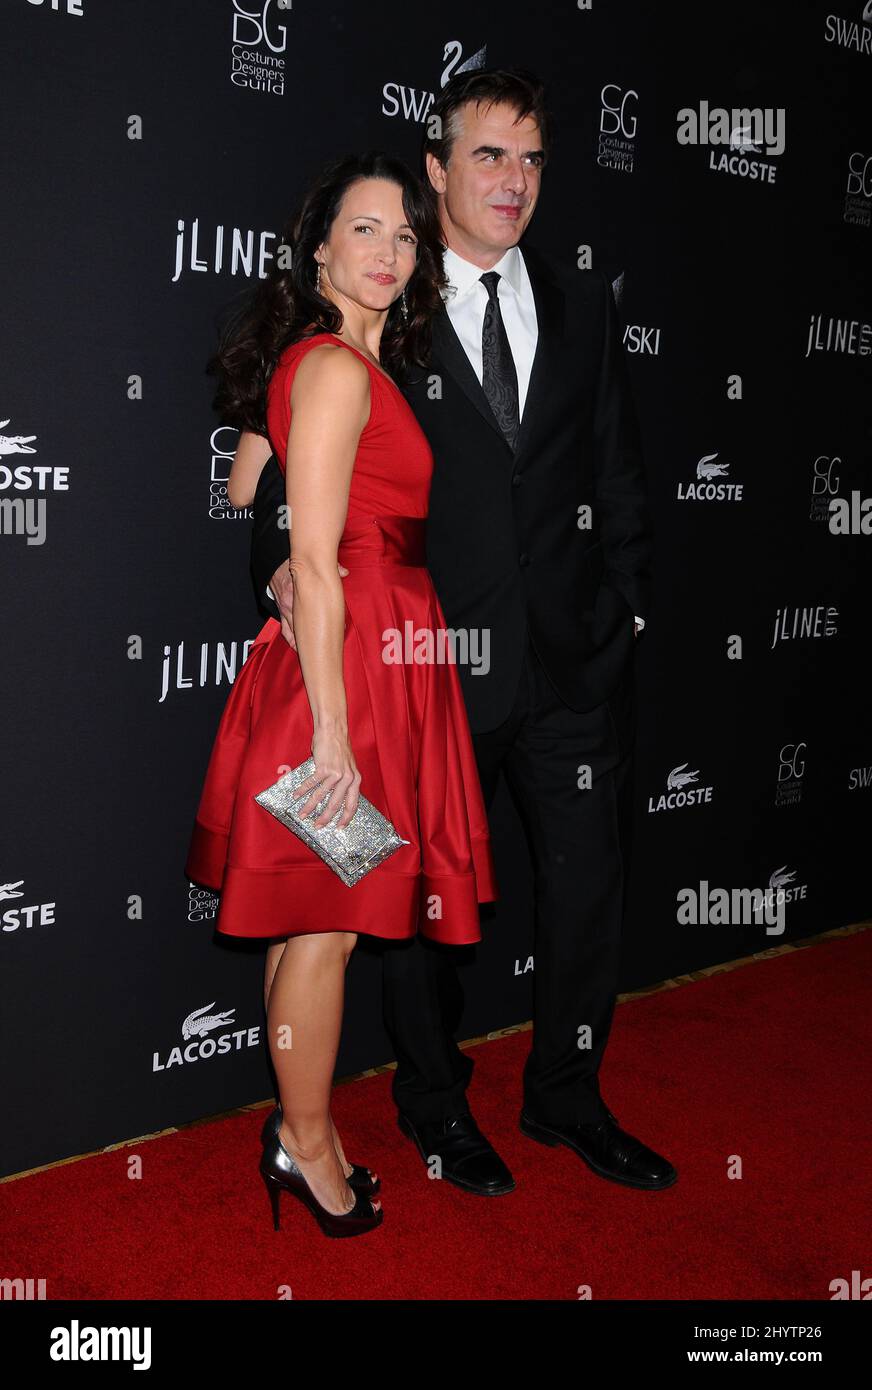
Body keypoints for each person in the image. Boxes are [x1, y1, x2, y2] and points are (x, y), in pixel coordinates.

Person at [250, 68, 677, 1194]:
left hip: (577, 657)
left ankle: (567, 1097)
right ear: (436, 168)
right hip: (436, 665)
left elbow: (617, 469)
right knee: (418, 910)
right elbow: (283, 468)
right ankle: (437, 1109)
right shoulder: (390, 306)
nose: (513, 180)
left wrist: (625, 602)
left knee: (586, 894)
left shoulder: (583, 304)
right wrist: (280, 579)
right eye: (487, 155)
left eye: (532, 159)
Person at [184, 151, 498, 1238]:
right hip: (345, 670)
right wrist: (332, 734)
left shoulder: (359, 368)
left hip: (375, 658)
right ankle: (306, 1144)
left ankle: (294, 1124)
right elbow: (313, 560)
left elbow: (270, 508)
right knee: (323, 930)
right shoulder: (328, 368)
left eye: (406, 237)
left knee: (306, 924)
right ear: (319, 249)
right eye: (365, 230)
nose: (389, 253)